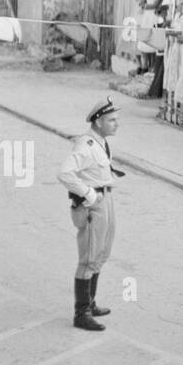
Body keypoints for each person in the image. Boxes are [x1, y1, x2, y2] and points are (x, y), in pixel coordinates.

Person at [58, 96, 125, 332]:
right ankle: (81, 313)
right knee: (88, 259)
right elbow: (65, 174)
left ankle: (91, 302)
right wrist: (87, 193)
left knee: (102, 253)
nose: (116, 124)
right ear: (98, 122)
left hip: (105, 198)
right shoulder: (85, 146)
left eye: (116, 119)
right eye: (112, 120)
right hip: (93, 204)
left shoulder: (100, 142)